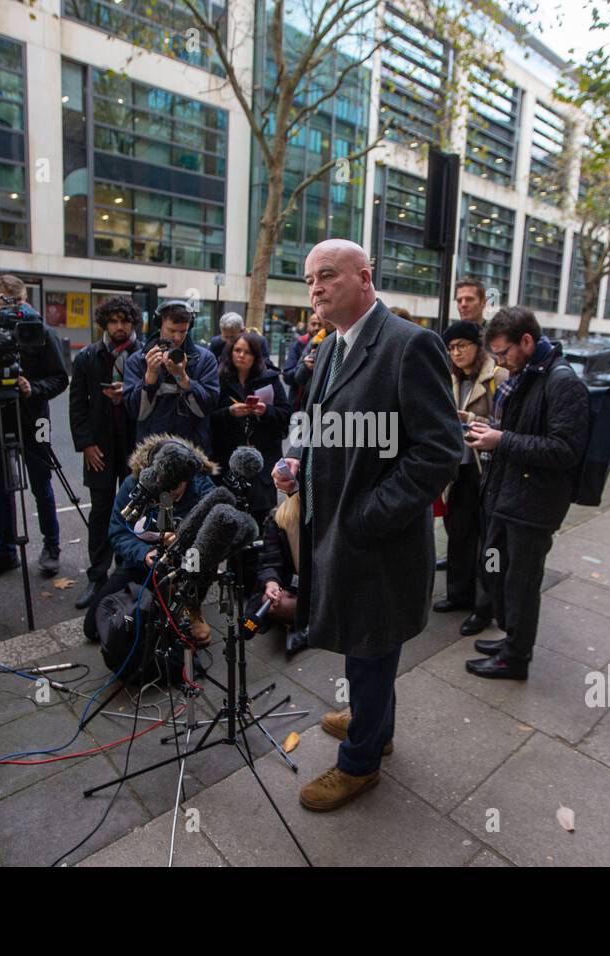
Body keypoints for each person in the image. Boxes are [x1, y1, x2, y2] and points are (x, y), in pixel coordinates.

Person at [274, 238, 461, 813]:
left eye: (327, 275)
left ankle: (360, 763)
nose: (315, 289)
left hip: (378, 544)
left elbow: (439, 452)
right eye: (309, 280)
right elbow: (330, 427)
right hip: (340, 534)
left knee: (372, 646)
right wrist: (300, 464)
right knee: (365, 646)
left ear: (365, 277)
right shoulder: (330, 348)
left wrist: (367, 516)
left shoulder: (411, 346)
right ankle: (373, 724)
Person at [464, 306, 590, 679]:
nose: (501, 362)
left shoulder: (561, 381)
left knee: (521, 583)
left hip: (534, 504)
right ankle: (511, 638)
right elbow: (522, 431)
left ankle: (515, 658)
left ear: (528, 341)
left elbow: (564, 450)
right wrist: (487, 429)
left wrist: (501, 441)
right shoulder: (530, 373)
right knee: (500, 574)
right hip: (510, 496)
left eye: (504, 353)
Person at [0, 274, 69, 581]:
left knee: (42, 484)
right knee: (1, 489)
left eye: (17, 300)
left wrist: (32, 388)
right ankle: (6, 551)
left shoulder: (39, 331)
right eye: (4, 300)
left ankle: (51, 549)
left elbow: (59, 378)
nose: (11, 307)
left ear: (25, 299)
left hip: (32, 417)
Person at [102, 433, 218, 645]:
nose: (171, 494)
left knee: (202, 561)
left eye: (176, 488)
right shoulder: (134, 485)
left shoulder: (202, 487)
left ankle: (190, 607)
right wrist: (144, 553)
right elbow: (118, 533)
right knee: (95, 627)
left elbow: (213, 534)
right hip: (143, 562)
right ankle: (151, 604)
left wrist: (184, 538)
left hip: (184, 564)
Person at [434, 320, 508, 636]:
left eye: (462, 345)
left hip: (489, 473)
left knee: (487, 545)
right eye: (451, 348)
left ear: (477, 347)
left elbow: (508, 426)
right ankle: (457, 595)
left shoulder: (498, 377)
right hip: (459, 471)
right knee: (459, 536)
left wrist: (472, 419)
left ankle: (483, 608)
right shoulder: (448, 378)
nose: (456, 352)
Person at [69, 295, 141, 609]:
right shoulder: (87, 357)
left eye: (125, 321)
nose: (119, 327)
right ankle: (97, 576)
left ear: (133, 322)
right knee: (100, 512)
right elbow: (77, 406)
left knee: (134, 510)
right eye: (113, 321)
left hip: (134, 446)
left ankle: (126, 572)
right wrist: (85, 444)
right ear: (104, 323)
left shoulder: (143, 354)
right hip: (98, 446)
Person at [210, 330, 292, 528]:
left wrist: (265, 411)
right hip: (229, 462)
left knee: (259, 527)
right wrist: (229, 412)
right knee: (229, 525)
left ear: (256, 356)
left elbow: (286, 414)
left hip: (262, 463)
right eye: (237, 350)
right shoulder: (220, 379)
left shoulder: (269, 379)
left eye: (247, 352)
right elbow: (209, 419)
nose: (241, 355)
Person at [121, 300, 221, 452]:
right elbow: (135, 412)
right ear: (159, 325)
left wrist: (182, 377)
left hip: (192, 448)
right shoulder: (138, 360)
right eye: (171, 330)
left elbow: (208, 407)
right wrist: (150, 376)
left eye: (183, 331)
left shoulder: (205, 358)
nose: (177, 337)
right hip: (151, 450)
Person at [249, 491, 309, 655]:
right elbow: (270, 561)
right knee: (272, 602)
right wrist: (272, 583)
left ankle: (311, 624)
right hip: (299, 590)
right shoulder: (278, 517)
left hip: (330, 592)